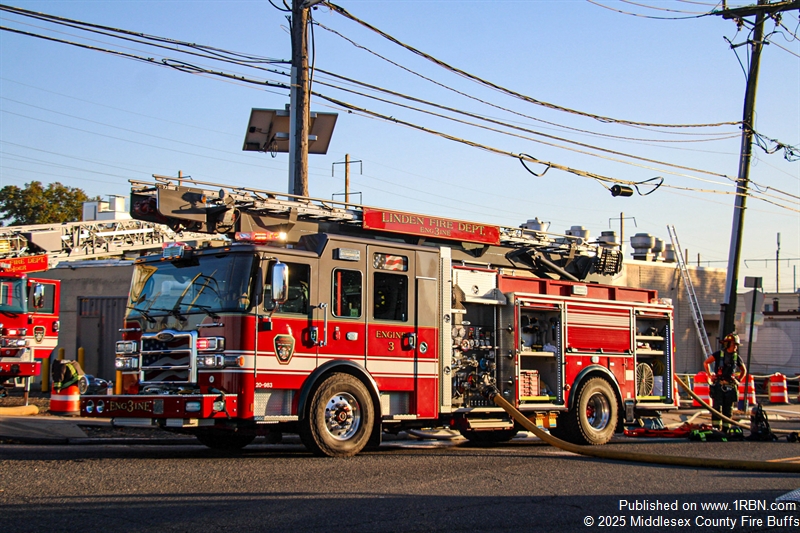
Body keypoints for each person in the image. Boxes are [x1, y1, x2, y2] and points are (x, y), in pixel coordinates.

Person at [703, 333, 747, 432]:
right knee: (716, 408)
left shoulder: (737, 357)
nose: (735, 347)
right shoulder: (719, 354)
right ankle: (716, 428)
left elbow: (744, 370)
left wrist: (738, 380)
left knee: (728, 409)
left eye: (736, 345)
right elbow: (706, 362)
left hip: (730, 386)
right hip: (719, 385)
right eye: (733, 344)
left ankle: (726, 429)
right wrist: (710, 375)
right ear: (727, 345)